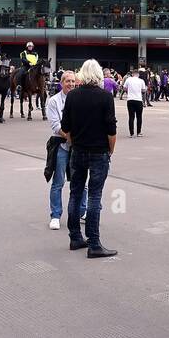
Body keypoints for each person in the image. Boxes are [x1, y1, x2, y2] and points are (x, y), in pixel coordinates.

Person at [60, 59, 118, 258]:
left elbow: (65, 127)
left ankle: (75, 237)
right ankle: (94, 243)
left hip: (78, 150)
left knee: (75, 193)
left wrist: (73, 142)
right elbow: (111, 129)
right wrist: (110, 150)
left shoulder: (73, 96)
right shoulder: (105, 97)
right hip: (98, 151)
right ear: (99, 75)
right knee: (94, 196)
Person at [45, 70, 88, 230]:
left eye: (72, 81)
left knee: (82, 181)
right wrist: (71, 138)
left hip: (78, 145)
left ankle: (82, 211)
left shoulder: (79, 99)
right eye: (67, 81)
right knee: (58, 182)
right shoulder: (54, 101)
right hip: (62, 145)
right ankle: (55, 215)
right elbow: (56, 125)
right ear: (61, 83)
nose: (70, 84)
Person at [124, 68, 147, 137]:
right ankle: (138, 132)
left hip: (130, 100)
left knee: (131, 117)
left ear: (132, 74)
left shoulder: (128, 79)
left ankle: (131, 133)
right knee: (139, 117)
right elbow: (143, 90)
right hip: (138, 100)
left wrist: (128, 92)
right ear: (138, 74)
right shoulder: (141, 81)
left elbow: (124, 88)